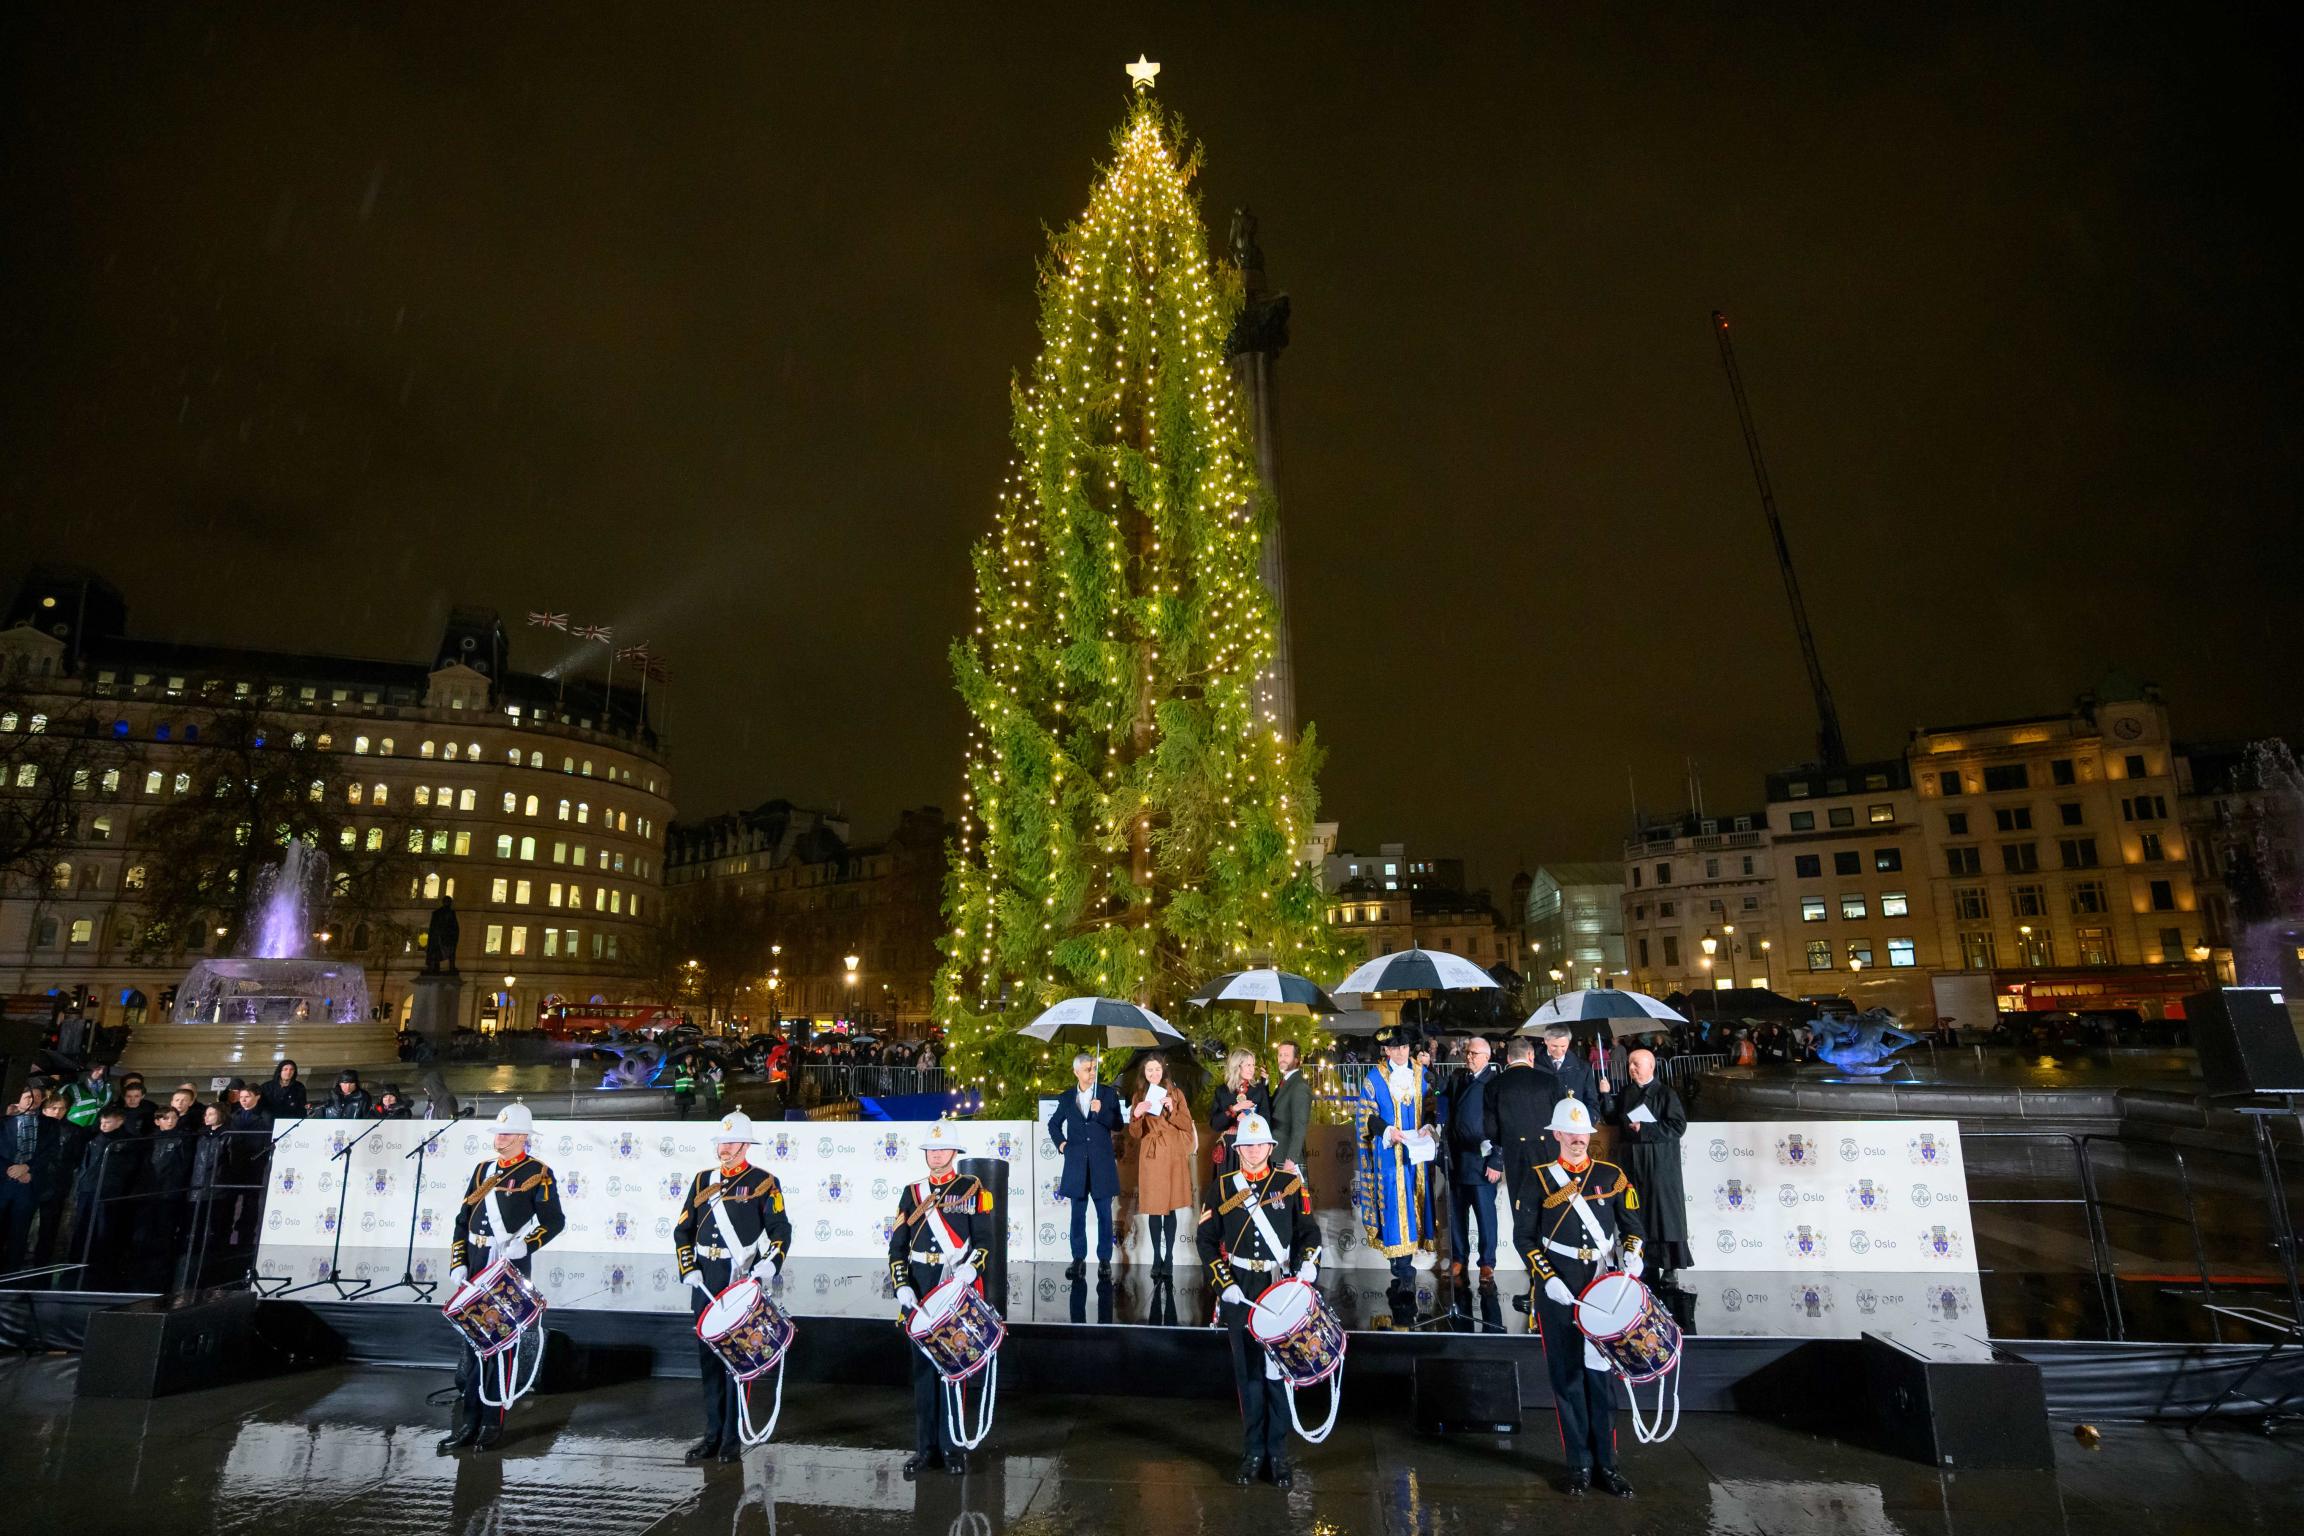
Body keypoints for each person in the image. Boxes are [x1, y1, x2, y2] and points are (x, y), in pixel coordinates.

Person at [1517, 1095, 1642, 1498]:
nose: (1578, 1140)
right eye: (1570, 1133)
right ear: (1556, 1134)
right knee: (1568, 1379)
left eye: (1584, 1133)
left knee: (1601, 1382)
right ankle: (1579, 1465)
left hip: (1601, 1288)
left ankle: (1608, 1463)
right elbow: (1525, 1239)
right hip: (1559, 1292)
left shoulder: (1611, 1174)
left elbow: (1631, 1226)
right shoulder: (1537, 1177)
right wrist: (1546, 1277)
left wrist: (1635, 1254)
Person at [1196, 1111, 1319, 1489]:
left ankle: (1278, 1455)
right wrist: (1223, 1284)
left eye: (1259, 1144)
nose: (1252, 1150)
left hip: (1277, 1285)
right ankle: (1252, 1452)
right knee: (1248, 1373)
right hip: (1240, 1288)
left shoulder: (1290, 1184)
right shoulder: (1222, 1187)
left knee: (1278, 1373)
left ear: (1270, 1147)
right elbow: (1205, 1241)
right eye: (1245, 1145)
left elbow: (1308, 1233)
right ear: (1238, 1148)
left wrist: (1308, 1265)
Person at [440, 1103, 566, 1453]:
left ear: (523, 1137)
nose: (500, 1138)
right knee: (472, 1343)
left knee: (498, 1346)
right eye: (498, 1132)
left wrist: (526, 1246)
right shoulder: (483, 1170)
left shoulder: (538, 1172)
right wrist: (459, 1261)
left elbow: (554, 1221)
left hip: (506, 1267)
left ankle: (491, 1423)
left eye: (507, 1133)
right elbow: (462, 1220)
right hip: (476, 1262)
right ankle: (469, 1422)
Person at [674, 1111, 793, 1465]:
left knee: (735, 1361)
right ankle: (711, 1434)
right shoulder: (701, 1181)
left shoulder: (764, 1182)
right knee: (709, 1361)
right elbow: (682, 1230)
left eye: (729, 1142)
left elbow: (780, 1230)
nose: (723, 1148)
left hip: (737, 1276)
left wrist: (771, 1262)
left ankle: (731, 1437)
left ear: (744, 1145)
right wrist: (688, 1267)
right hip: (705, 1278)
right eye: (720, 1142)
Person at [888, 1120, 995, 1477]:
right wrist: (901, 1284)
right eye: (930, 1150)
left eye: (942, 1149)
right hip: (920, 1287)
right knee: (922, 1373)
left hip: (953, 1287)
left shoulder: (972, 1189)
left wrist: (971, 1270)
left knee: (952, 1371)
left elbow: (984, 1242)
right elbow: (898, 1246)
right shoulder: (912, 1192)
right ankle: (925, 1449)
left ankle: (952, 1447)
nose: (935, 1154)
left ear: (954, 1153)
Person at [1355, 1024, 1436, 1301]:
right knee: (1394, 1205)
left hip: (1417, 1153)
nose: (1400, 1052)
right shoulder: (1374, 1077)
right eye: (1394, 1048)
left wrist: (1429, 1125)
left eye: (1403, 1047)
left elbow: (1434, 1105)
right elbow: (1365, 1115)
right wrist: (1388, 1131)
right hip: (1389, 1153)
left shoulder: (1422, 1073)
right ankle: (1403, 1269)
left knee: (1415, 1200)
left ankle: (1404, 1268)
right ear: (1386, 1050)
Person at [1606, 1047, 1692, 1284]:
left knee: (1663, 1213)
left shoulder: (1666, 1093)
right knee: (1638, 1213)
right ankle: (1643, 1261)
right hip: (1633, 1163)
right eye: (1630, 1064)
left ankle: (1671, 1265)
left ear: (1651, 1066)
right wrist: (1605, 1096)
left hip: (1660, 1164)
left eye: (1637, 1064)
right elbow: (1613, 1119)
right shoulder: (1626, 1092)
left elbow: (1677, 1126)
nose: (1632, 1068)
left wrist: (1646, 1130)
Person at [1047, 1052, 1122, 1279]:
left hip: (1102, 1165)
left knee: (1104, 1216)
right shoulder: (1067, 1097)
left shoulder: (1108, 1094)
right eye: (1088, 1069)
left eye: (1094, 1068)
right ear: (1076, 1072)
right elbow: (1053, 1124)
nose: (1092, 1073)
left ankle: (1104, 1260)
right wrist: (1061, 1144)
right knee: (1077, 1215)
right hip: (1076, 1166)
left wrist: (1102, 1112)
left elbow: (1118, 1124)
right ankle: (1078, 1258)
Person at [1126, 1052, 1197, 1275]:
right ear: (1144, 1074)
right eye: (1149, 1070)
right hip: (1152, 1155)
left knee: (1171, 1209)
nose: (1153, 1074)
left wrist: (1172, 1109)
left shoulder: (1176, 1094)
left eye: (1157, 1069)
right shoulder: (1139, 1096)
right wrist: (1136, 1115)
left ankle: (1169, 1257)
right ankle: (1157, 1256)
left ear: (1163, 1071)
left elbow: (1186, 1124)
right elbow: (1135, 1134)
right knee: (1155, 1209)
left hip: (1174, 1154)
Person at [1441, 1036, 1504, 1285]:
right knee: (1456, 1214)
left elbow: (1502, 1123)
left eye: (1474, 1053)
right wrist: (1429, 1073)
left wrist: (1497, 1159)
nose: (1469, 1057)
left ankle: (1487, 1262)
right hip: (1457, 1157)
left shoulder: (1494, 1083)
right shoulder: (1459, 1078)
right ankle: (1458, 1258)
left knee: (1485, 1214)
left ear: (1487, 1057)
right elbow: (1438, 1089)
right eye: (1467, 1052)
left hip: (1483, 1160)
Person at [72, 1104, 140, 1287]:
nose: (104, 1125)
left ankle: (100, 1264)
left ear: (119, 1122)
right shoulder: (94, 1138)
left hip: (109, 1191)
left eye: (108, 1122)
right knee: (82, 1226)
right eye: (102, 1122)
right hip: (88, 1187)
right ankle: (78, 1262)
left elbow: (128, 1169)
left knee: (104, 1229)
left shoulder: (126, 1142)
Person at [1484, 1038, 1552, 1217]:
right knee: (1551, 1202)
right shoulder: (1550, 1081)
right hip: (1549, 1152)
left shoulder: (1494, 1085)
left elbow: (1491, 1128)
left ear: (1508, 1058)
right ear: (1531, 1055)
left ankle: (1527, 1244)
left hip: (1515, 1153)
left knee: (1522, 1206)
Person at [2, 1085, 66, 1273]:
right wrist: (11, 1170)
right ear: (18, 1099)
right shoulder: (5, 1121)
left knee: (20, 1231)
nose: (33, 1100)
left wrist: (28, 1168)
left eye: (37, 1097)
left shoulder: (49, 1124)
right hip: (4, 1181)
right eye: (28, 1096)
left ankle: (12, 1274)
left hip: (29, 1183)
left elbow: (51, 1152)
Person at [1532, 1026, 1601, 1163]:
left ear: (1569, 1043)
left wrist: (1583, 1127)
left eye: (1563, 1046)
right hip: (1541, 1134)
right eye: (1554, 1046)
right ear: (1545, 1041)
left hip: (1573, 1136)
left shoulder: (1582, 1068)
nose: (1558, 1050)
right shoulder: (1533, 1065)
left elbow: (1592, 1102)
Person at [1209, 1048, 1272, 1177]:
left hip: (1253, 1149)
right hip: (1230, 1151)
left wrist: (1250, 1116)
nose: (1252, 1069)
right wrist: (1234, 1109)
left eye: (1253, 1065)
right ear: (1237, 1066)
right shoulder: (1222, 1091)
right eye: (1248, 1065)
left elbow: (1267, 1119)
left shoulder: (1259, 1090)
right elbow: (1215, 1124)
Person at [1267, 1039, 1312, 1177]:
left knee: (1290, 1198)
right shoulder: (1284, 1082)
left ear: (1297, 1059)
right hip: (1276, 1154)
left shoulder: (1299, 1086)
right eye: (1280, 1055)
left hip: (1287, 1159)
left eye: (1286, 1055)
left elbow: (1300, 1126)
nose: (1282, 1059)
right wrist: (1265, 1083)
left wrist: (1291, 1159)